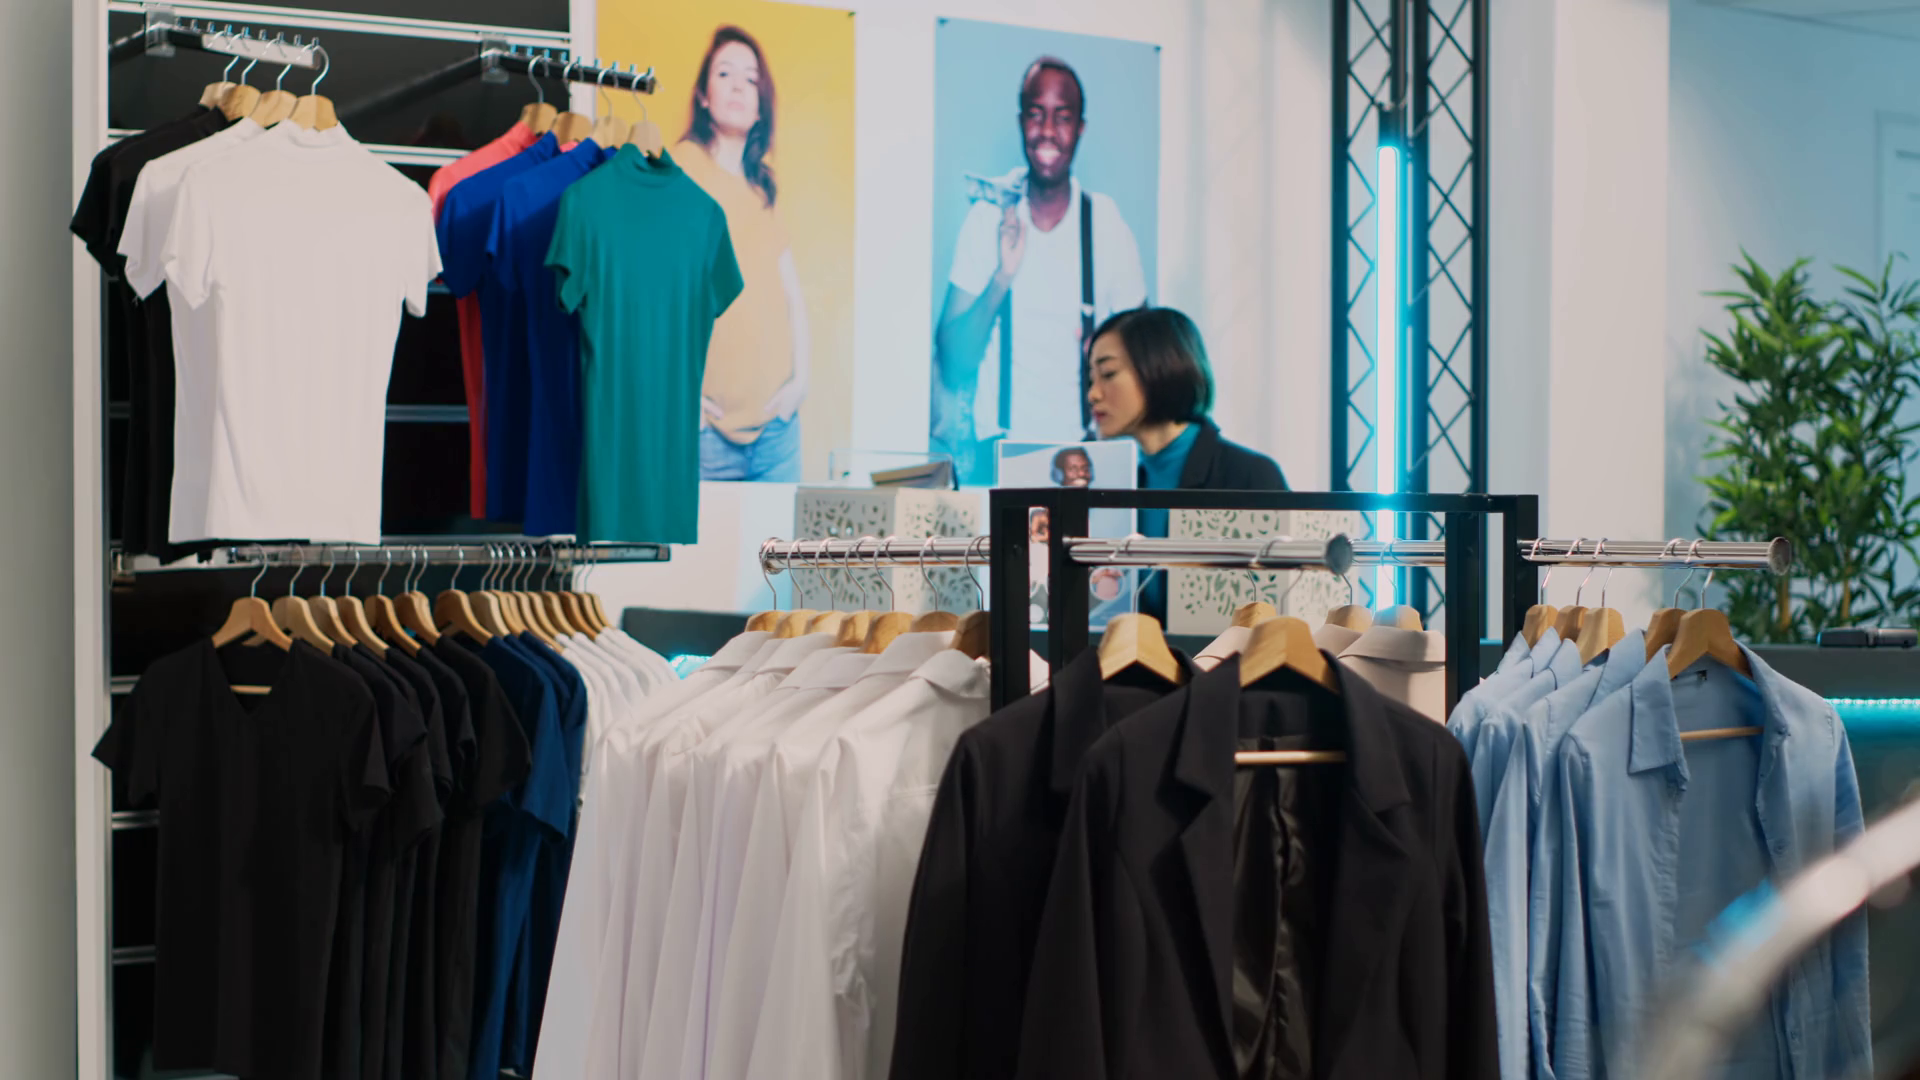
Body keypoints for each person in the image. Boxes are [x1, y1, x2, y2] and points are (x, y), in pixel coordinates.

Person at [934, 56, 1149, 480]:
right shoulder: (987, 217)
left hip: (1086, 461)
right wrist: (1002, 277)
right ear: (1020, 121)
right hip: (995, 459)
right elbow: (953, 358)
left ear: (1080, 127)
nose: (1048, 131)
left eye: (1062, 117)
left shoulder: (1106, 223)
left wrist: (1104, 352)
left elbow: (1148, 362)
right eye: (1036, 115)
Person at [1086, 306, 1287, 618]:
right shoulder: (1109, 480)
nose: (1093, 394)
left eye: (1109, 374)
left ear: (1160, 368)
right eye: (1091, 378)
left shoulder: (1249, 475)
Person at [678, 25, 811, 482]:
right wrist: (679, 390)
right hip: (705, 433)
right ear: (702, 95)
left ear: (761, 104)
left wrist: (800, 383)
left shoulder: (763, 186)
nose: (738, 85)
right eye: (724, 73)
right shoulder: (680, 169)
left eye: (750, 78)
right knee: (707, 556)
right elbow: (653, 292)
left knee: (784, 556)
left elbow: (791, 294)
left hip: (778, 428)